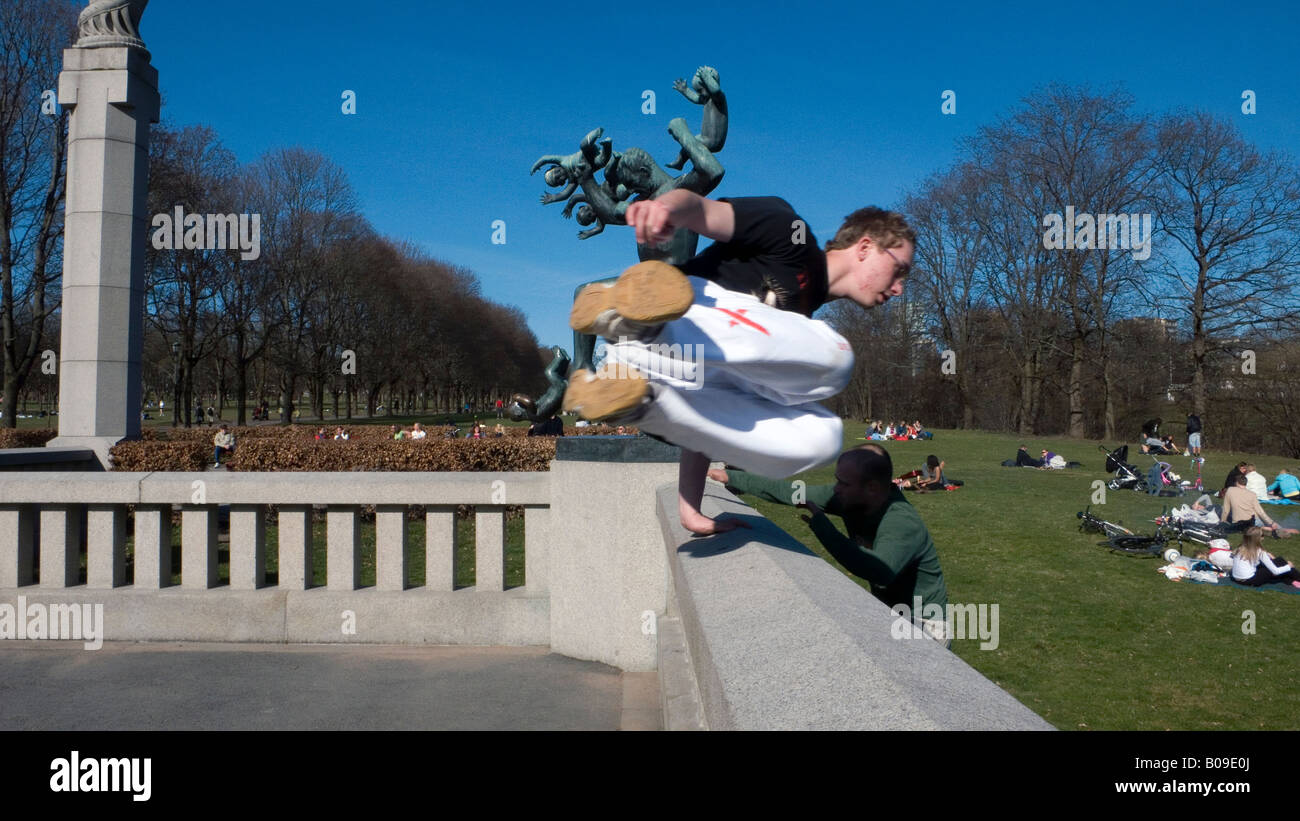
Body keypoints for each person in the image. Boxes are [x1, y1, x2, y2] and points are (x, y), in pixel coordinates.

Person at [562, 190, 913, 535]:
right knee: (837, 360)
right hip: (671, 324)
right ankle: (642, 325)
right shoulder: (791, 234)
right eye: (899, 270)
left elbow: (716, 416)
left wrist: (690, 509)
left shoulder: (800, 329)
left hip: (652, 381)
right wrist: (664, 209)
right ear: (865, 247)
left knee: (824, 439)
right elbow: (700, 209)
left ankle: (641, 404)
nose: (899, 289)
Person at [708, 443, 950, 644]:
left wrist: (823, 528)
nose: (835, 488)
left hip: (925, 622)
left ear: (873, 487)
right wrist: (732, 477)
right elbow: (792, 491)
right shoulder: (850, 497)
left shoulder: (900, 521)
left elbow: (878, 571)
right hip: (890, 611)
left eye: (844, 483)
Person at [1221, 474, 1298, 535]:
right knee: (1269, 525)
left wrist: (1223, 521)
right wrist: (1271, 522)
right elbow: (1260, 511)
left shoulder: (1230, 490)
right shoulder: (1252, 494)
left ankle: (1266, 528)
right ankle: (1282, 529)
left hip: (1238, 523)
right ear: (1246, 483)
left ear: (1236, 482)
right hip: (1254, 521)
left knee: (1260, 526)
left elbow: (1225, 510)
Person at [1231, 527, 1300, 588]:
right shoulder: (1260, 552)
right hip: (1251, 580)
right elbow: (1275, 571)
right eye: (1262, 535)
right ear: (1257, 538)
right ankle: (1297, 578)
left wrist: (1268, 556)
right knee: (1280, 561)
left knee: (1273, 563)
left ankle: (1289, 580)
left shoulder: (1240, 548)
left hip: (1237, 578)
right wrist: (1289, 566)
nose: (1263, 537)